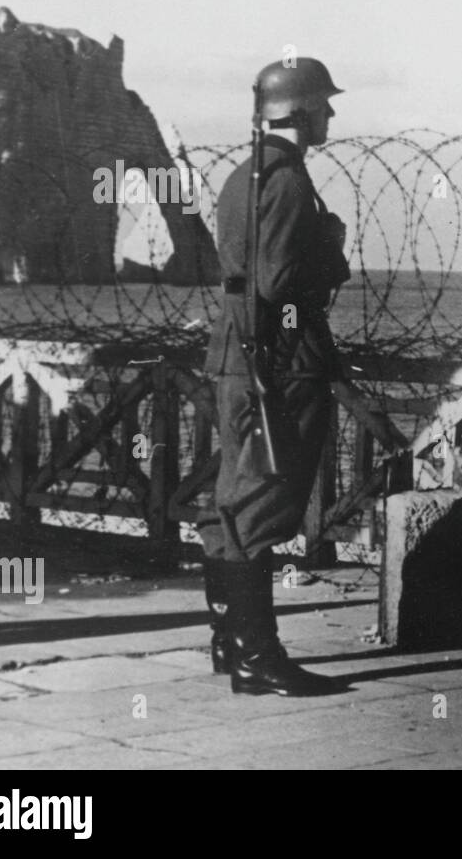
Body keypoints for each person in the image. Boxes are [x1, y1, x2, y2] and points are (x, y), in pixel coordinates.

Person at [196, 57, 352, 696]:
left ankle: (232, 643)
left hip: (238, 352)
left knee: (236, 500)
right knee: (266, 500)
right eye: (324, 105)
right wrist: (330, 260)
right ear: (301, 110)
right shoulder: (286, 182)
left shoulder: (242, 176)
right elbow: (281, 284)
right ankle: (256, 658)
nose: (331, 116)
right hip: (278, 362)